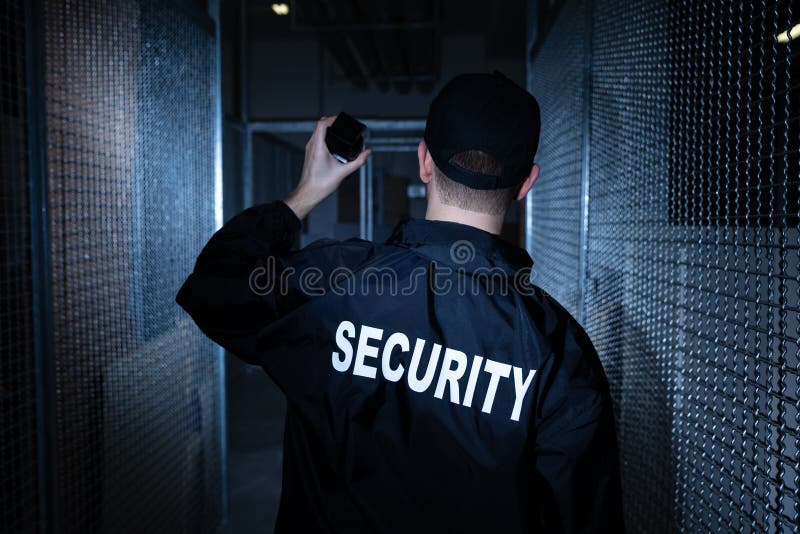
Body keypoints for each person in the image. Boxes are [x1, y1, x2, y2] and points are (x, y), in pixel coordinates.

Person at [176, 72, 624, 533]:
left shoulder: (331, 282)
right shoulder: (559, 352)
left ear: (424, 161)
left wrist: (305, 194)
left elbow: (213, 285)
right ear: (526, 183)